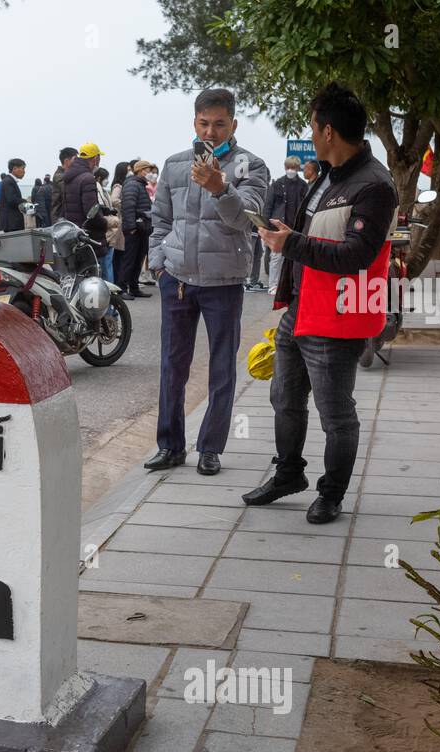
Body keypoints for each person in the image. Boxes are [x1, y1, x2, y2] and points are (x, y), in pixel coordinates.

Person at [244, 82, 397, 524]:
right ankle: (289, 472)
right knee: (284, 396)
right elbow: (314, 237)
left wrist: (290, 244)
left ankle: (331, 494)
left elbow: (357, 255)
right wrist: (286, 236)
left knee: (336, 414)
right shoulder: (326, 176)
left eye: (313, 125)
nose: (310, 133)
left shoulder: (375, 185)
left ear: (328, 130)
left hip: (340, 313)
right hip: (303, 308)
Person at [145, 88, 269, 477]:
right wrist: (159, 263)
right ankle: (170, 445)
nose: (211, 132)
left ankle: (210, 448)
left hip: (224, 281)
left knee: (221, 368)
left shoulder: (253, 166)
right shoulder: (175, 164)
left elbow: (245, 220)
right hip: (177, 279)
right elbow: (161, 219)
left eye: (219, 124)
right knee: (172, 365)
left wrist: (219, 186)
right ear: (194, 123)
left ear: (233, 124)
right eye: (204, 123)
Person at [264, 156, 308, 292]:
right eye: (289, 167)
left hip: (295, 227)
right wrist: (265, 225)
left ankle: (291, 286)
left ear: (298, 168)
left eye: (294, 168)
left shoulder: (303, 186)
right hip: (278, 226)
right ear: (285, 167)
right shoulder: (277, 184)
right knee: (276, 257)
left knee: (294, 258)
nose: (291, 170)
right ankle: (273, 285)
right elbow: (268, 205)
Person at [119, 160, 156, 300]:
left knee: (138, 259)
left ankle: (134, 287)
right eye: (148, 170)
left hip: (142, 229)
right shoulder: (132, 184)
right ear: (141, 170)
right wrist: (131, 227)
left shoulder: (140, 185)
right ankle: (121, 288)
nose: (151, 173)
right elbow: (128, 207)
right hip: (134, 230)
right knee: (129, 260)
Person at [93, 166, 120, 283]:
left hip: (108, 229)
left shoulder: (103, 190)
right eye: (105, 178)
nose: (107, 180)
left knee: (106, 262)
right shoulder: (98, 189)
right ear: (99, 178)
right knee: (106, 263)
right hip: (107, 229)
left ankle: (108, 288)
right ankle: (109, 288)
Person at [0, 158, 26, 232]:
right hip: (12, 223)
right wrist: (25, 201)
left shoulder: (9, 181)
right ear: (14, 168)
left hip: (12, 223)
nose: (24, 171)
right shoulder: (9, 181)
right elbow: (11, 199)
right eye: (23, 168)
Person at [50, 147, 76, 221]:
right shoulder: (59, 175)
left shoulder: (65, 174)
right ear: (66, 161)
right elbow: (70, 190)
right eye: (75, 160)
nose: (77, 163)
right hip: (59, 218)